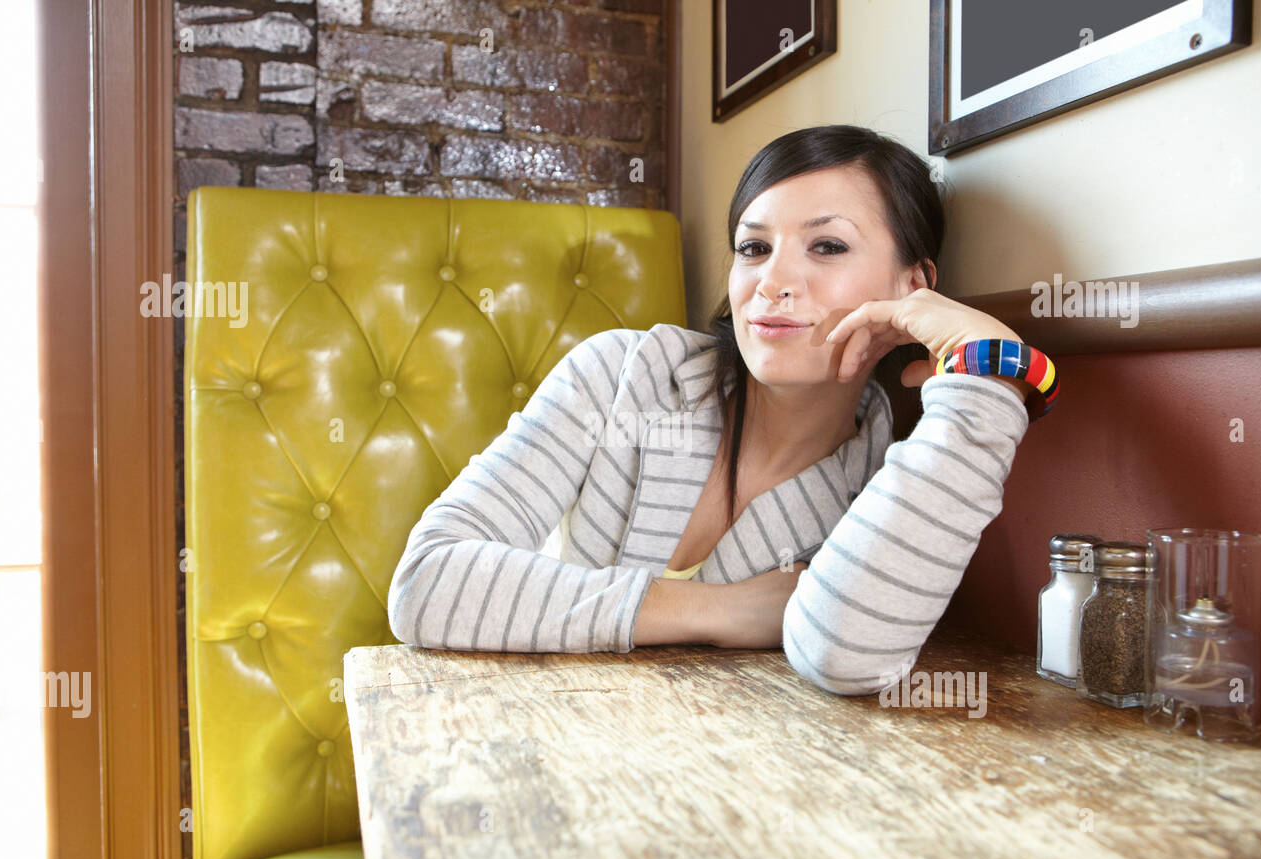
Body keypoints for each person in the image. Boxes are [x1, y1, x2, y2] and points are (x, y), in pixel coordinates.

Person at [387, 124, 1056, 695]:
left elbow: (843, 654)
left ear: (913, 286)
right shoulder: (620, 376)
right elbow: (425, 582)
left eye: (827, 246)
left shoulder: (886, 488)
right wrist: (721, 611)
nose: (772, 282)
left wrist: (989, 380)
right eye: (753, 248)